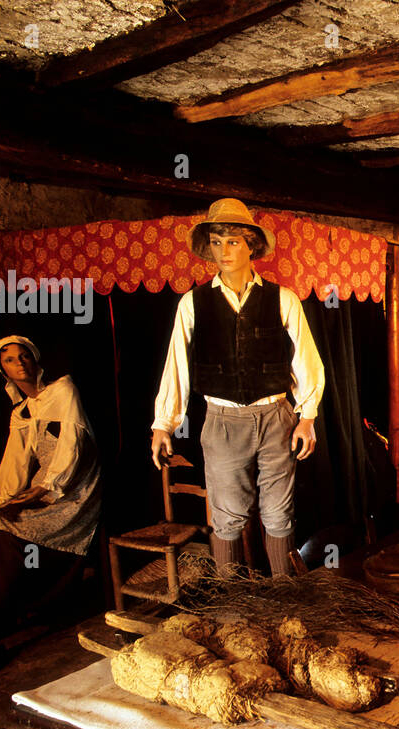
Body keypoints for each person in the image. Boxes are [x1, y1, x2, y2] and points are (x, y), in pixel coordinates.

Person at [150, 198, 323, 577]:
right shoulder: (192, 303)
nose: (224, 251)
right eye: (216, 241)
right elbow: (175, 365)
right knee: (227, 516)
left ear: (251, 246)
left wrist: (306, 417)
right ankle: (231, 604)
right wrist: (164, 423)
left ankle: (284, 599)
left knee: (279, 514)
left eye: (232, 241)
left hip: (276, 416)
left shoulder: (283, 299)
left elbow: (306, 361)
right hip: (223, 421)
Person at [0, 335, 103, 683]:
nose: (19, 362)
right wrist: (8, 496)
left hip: (76, 484)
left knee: (14, 525)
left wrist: (45, 487)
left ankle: (2, 616)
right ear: (2, 370)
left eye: (24, 356)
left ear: (36, 359)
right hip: (43, 484)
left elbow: (73, 445)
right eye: (9, 359)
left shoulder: (63, 390)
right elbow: (17, 459)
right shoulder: (21, 410)